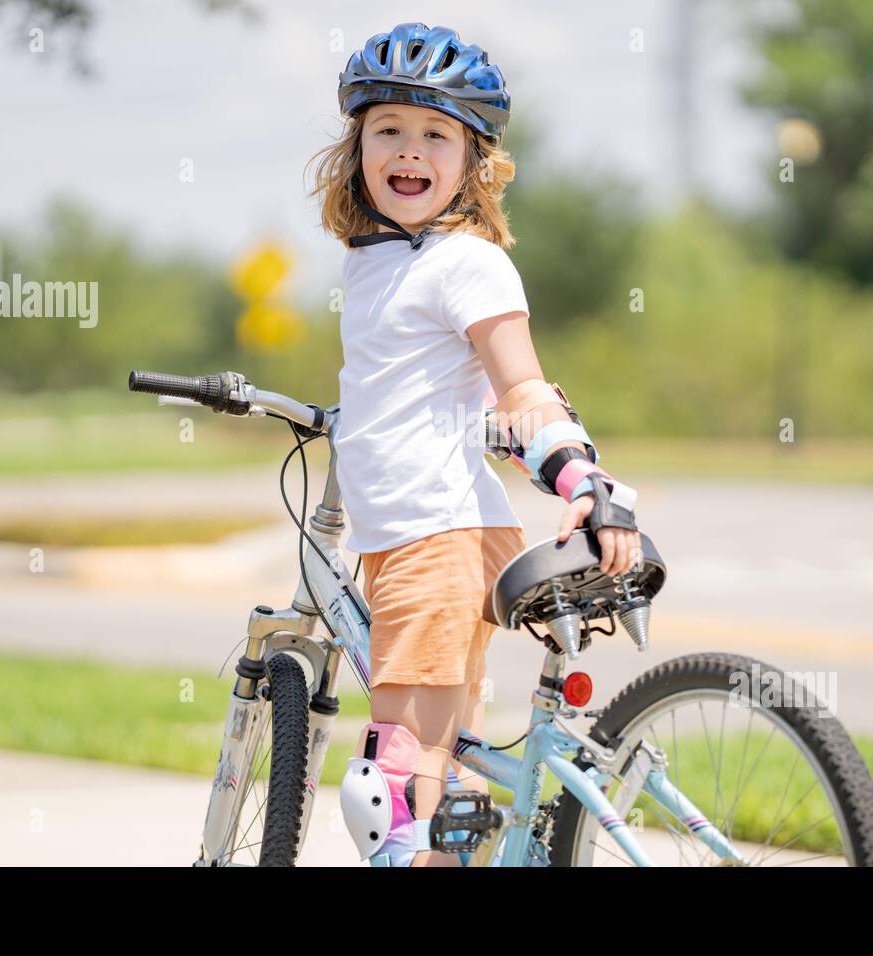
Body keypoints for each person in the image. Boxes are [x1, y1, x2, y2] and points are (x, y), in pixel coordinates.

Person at [305, 22, 642, 868]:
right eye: (388, 128)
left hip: (435, 537)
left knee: (386, 784)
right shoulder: (374, 260)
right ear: (356, 148)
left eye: (435, 134)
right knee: (449, 774)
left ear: (472, 161)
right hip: (425, 536)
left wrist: (585, 483)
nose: (409, 149)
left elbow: (521, 390)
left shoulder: (467, 261)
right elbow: (437, 399)